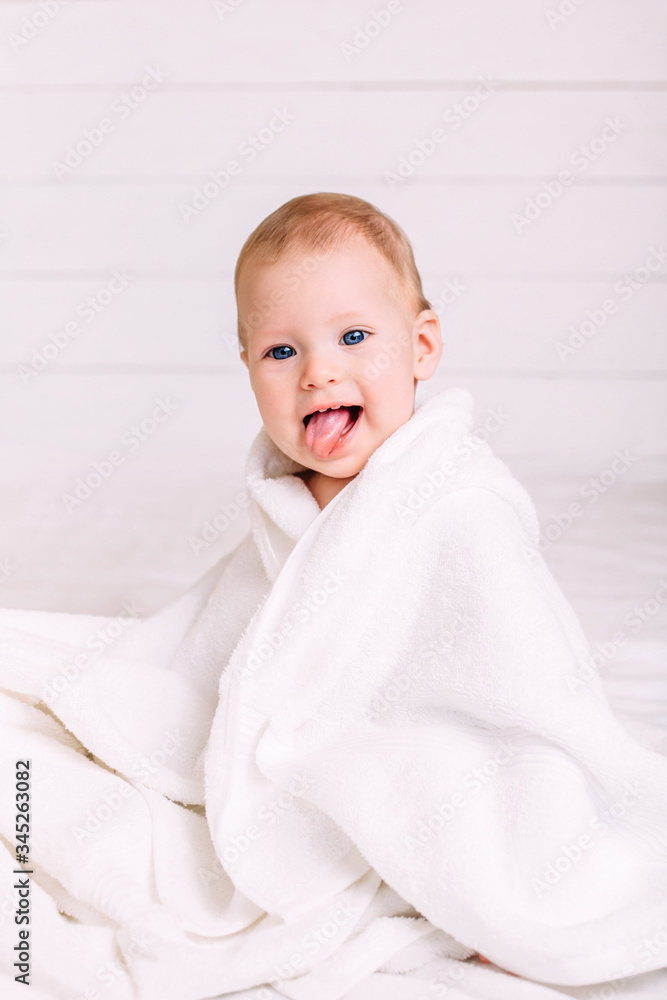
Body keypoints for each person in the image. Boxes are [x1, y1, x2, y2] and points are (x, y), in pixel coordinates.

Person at [0, 192, 666, 1000]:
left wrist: (516, 876)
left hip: (457, 759)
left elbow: (523, 689)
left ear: (420, 347)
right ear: (247, 368)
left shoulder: (457, 506)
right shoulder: (288, 501)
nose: (319, 370)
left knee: (432, 779)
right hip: (320, 754)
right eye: (281, 351)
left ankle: (488, 894)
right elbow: (221, 643)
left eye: (354, 337)